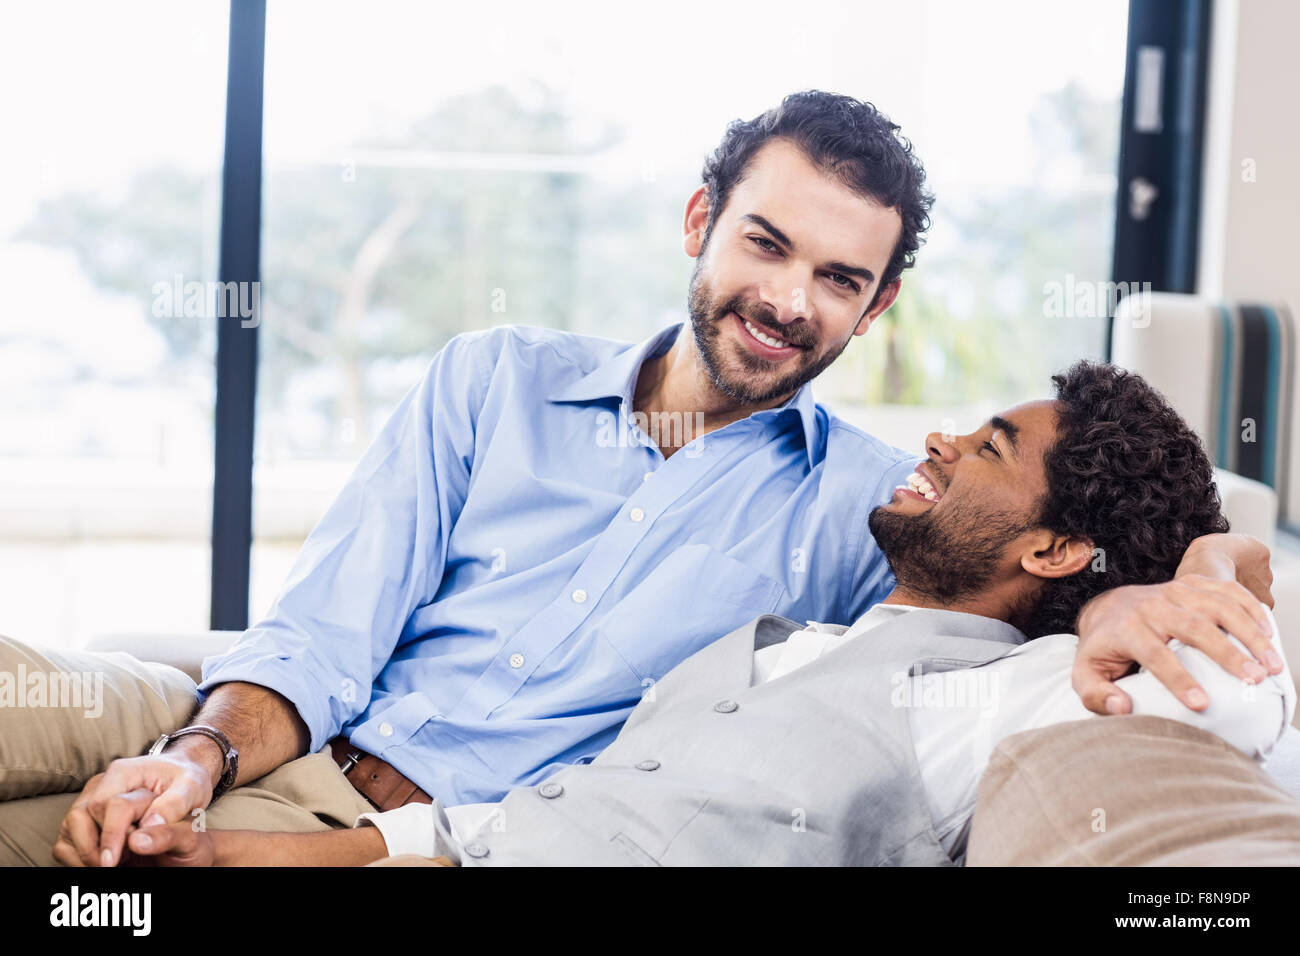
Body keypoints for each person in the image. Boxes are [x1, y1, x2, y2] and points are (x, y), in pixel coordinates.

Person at [0, 92, 1278, 868]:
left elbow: (1124, 538)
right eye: (766, 244)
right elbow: (323, 630)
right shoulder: (490, 378)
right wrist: (197, 753)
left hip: (370, 833)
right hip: (233, 721)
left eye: (838, 281)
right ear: (697, 223)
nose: (787, 302)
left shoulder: (878, 514)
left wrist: (1145, 593)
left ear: (876, 307)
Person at [112, 361, 1295, 866]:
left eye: (989, 445)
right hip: (334, 813)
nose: (939, 436)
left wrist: (1187, 571)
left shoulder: (1011, 691)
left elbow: (1240, 707)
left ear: (1052, 549)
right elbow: (530, 826)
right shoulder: (793, 639)